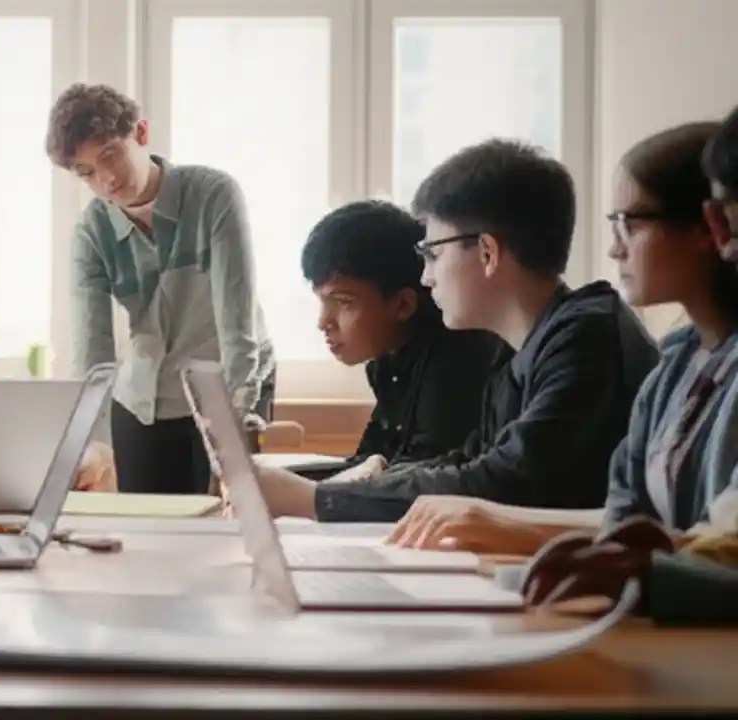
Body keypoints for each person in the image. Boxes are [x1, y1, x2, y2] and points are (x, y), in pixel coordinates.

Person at [392, 120, 738, 624]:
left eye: (630, 223)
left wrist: (509, 525)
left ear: (709, 228)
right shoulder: (676, 361)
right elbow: (629, 519)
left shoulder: (590, 334)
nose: (615, 247)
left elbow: (515, 479)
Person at [256, 139, 660, 522]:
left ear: (487, 252)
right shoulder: (518, 352)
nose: (426, 279)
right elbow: (467, 462)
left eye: (433, 254)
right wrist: (328, 490)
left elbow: (505, 481)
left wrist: (314, 500)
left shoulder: (586, 336)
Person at [47, 82, 275, 495]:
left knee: (225, 531)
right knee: (148, 536)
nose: (106, 179)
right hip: (143, 402)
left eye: (109, 155)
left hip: (228, 388)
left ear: (141, 133)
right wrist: (92, 441)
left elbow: (236, 327)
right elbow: (92, 352)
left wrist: (236, 423)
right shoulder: (92, 232)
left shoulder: (213, 196)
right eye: (86, 173)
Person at [300, 200, 506, 470]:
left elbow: (422, 474)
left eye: (344, 302)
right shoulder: (386, 364)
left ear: (402, 305)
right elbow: (369, 461)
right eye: (321, 301)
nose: (323, 322)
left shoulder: (453, 359)